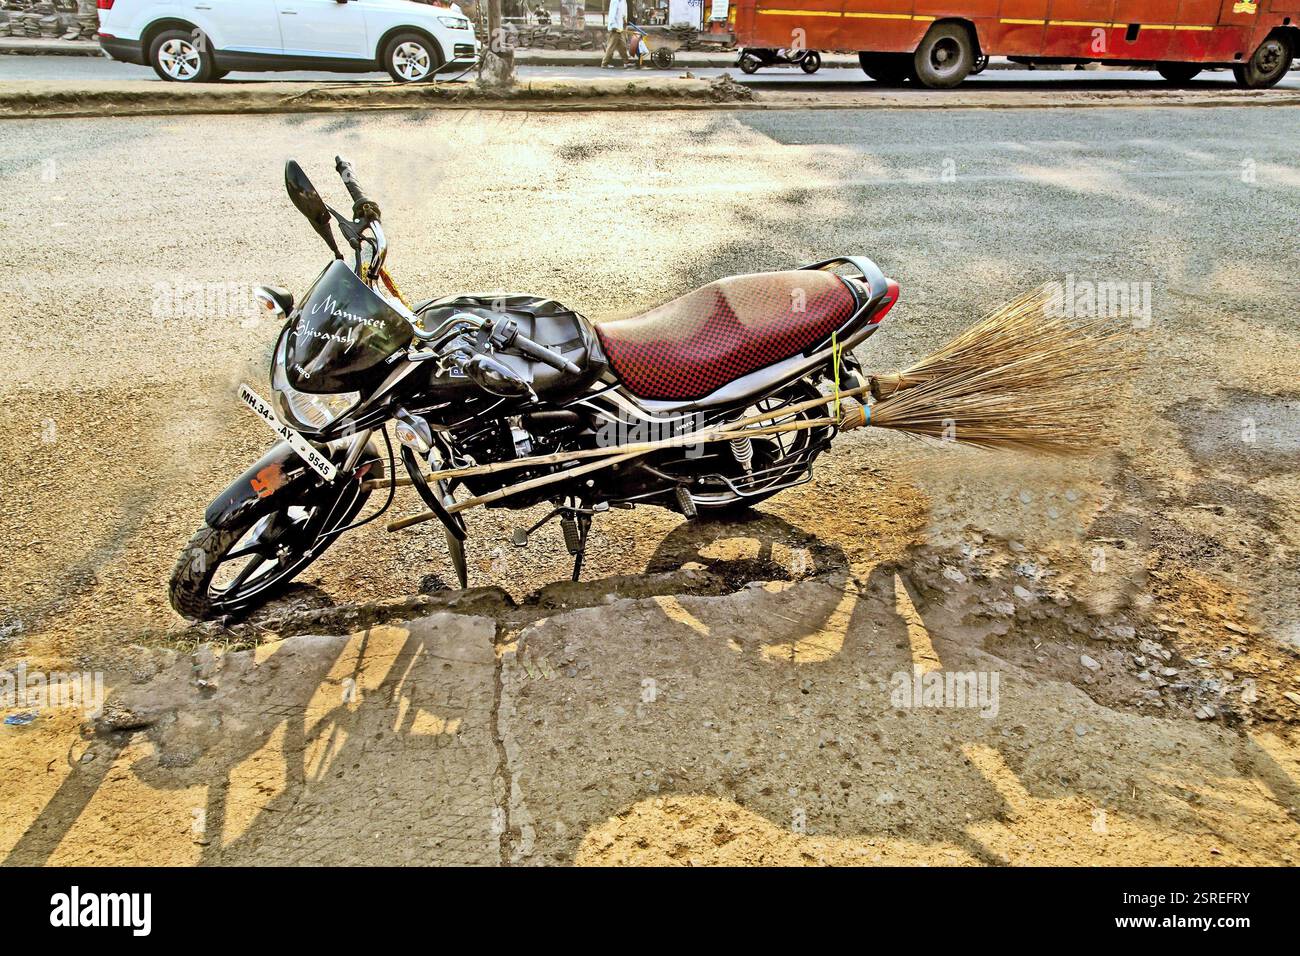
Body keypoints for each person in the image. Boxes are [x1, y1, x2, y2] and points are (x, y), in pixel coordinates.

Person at [601, 0, 630, 69]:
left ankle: (626, 62)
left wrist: (624, 19)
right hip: (615, 27)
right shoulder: (615, 1)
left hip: (620, 26)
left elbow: (623, 12)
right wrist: (613, 25)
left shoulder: (623, 1)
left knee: (622, 46)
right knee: (611, 46)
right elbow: (612, 13)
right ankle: (604, 63)